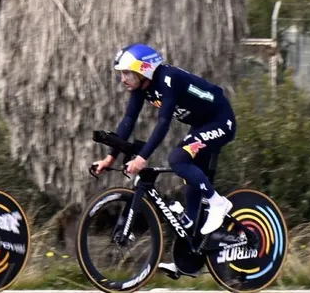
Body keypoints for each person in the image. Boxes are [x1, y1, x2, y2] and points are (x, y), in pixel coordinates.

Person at [93, 44, 235, 274]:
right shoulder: (142, 89)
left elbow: (163, 123)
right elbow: (128, 120)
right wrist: (110, 158)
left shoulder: (168, 79)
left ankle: (218, 203)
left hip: (221, 121)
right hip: (201, 125)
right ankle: (187, 261)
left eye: (126, 72)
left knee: (178, 159)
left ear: (144, 69)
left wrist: (142, 157)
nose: (122, 79)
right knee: (188, 191)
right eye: (121, 74)